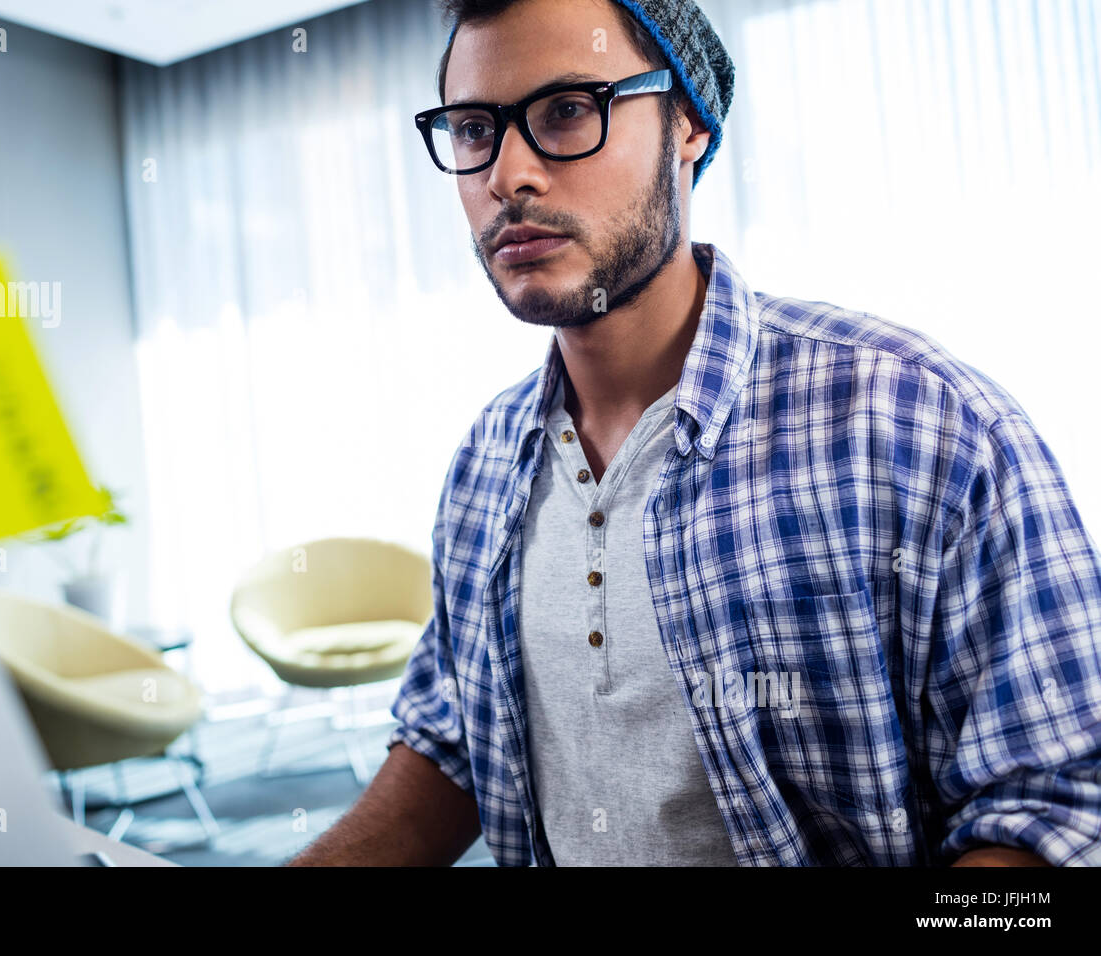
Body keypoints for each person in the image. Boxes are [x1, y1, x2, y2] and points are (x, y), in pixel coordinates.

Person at [286, 0, 1101, 866]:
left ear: (687, 125)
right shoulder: (486, 462)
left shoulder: (916, 423)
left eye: (568, 110)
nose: (508, 174)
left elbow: (1053, 810)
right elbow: (455, 746)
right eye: (476, 128)